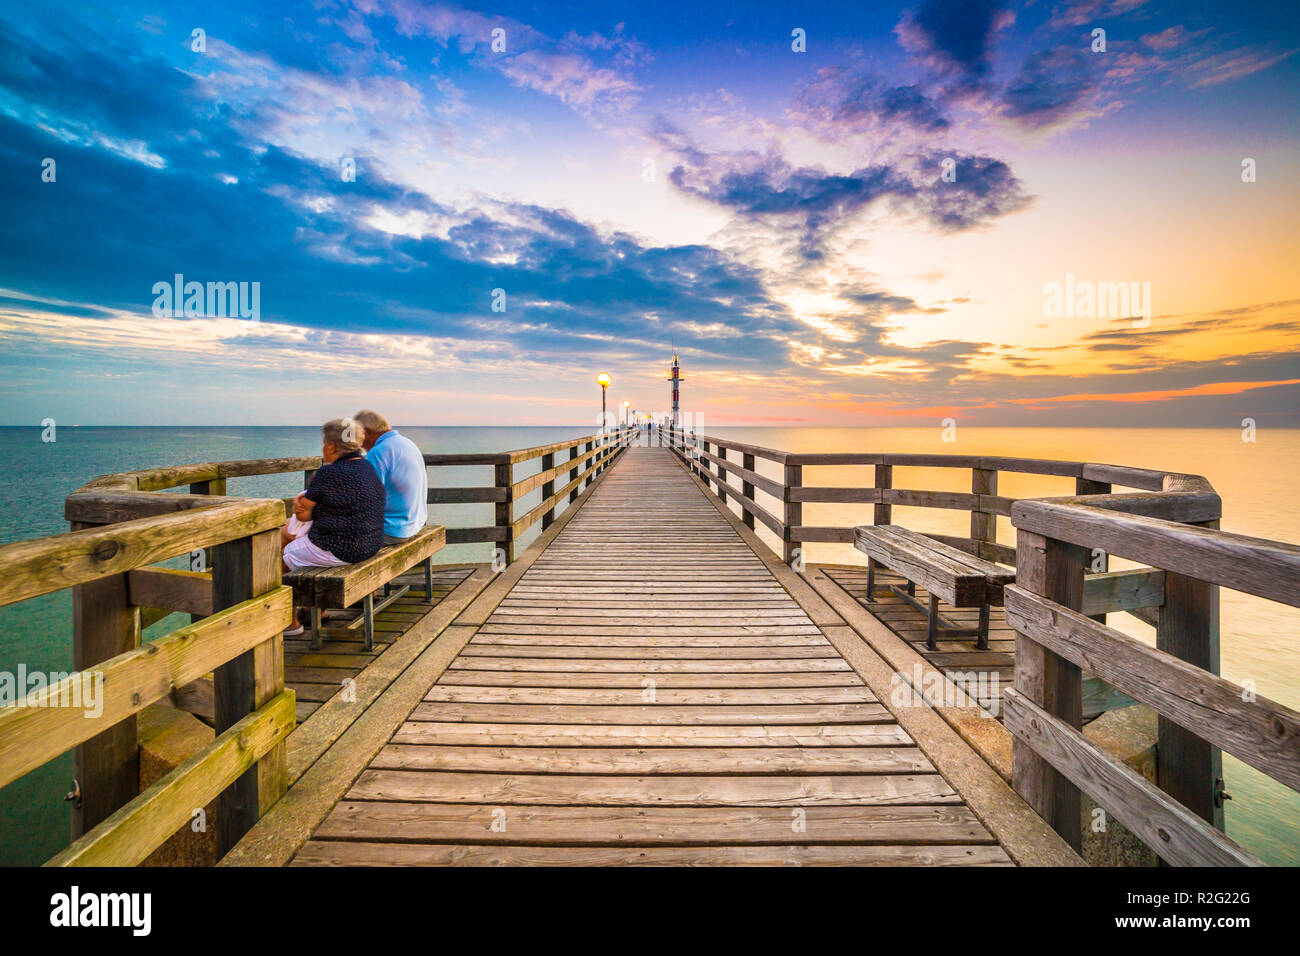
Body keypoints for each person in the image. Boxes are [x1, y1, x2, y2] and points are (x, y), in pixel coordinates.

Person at [281, 418, 385, 635]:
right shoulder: (368, 468)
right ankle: (314, 611)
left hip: (340, 549)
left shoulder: (328, 473)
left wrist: (299, 505)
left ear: (330, 447)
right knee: (295, 542)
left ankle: (289, 623)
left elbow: (303, 513)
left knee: (276, 557)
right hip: (369, 544)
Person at [353, 409, 428, 544]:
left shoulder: (379, 452)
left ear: (368, 432)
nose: (359, 445)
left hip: (391, 531)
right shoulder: (407, 444)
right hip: (415, 524)